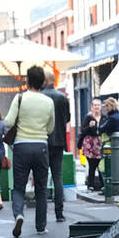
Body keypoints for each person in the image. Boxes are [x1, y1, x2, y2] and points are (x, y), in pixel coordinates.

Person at [4, 65, 54, 238]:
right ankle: (41, 226)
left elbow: (9, 122)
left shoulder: (19, 98)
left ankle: (19, 214)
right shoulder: (48, 102)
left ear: (27, 80)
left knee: (19, 187)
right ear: (43, 82)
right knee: (41, 188)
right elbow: (51, 127)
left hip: (21, 146)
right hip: (41, 146)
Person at [42, 66, 70, 224]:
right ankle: (59, 213)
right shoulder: (62, 97)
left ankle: (43, 212)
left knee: (42, 177)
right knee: (57, 176)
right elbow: (67, 118)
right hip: (59, 141)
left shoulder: (40, 96)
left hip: (43, 140)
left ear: (44, 81)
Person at [79, 108, 102, 192]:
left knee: (101, 165)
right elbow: (83, 131)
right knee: (92, 165)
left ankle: (102, 184)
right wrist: (90, 126)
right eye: (95, 105)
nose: (97, 107)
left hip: (100, 143)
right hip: (90, 144)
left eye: (98, 105)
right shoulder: (88, 118)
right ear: (92, 107)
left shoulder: (103, 117)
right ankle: (91, 185)